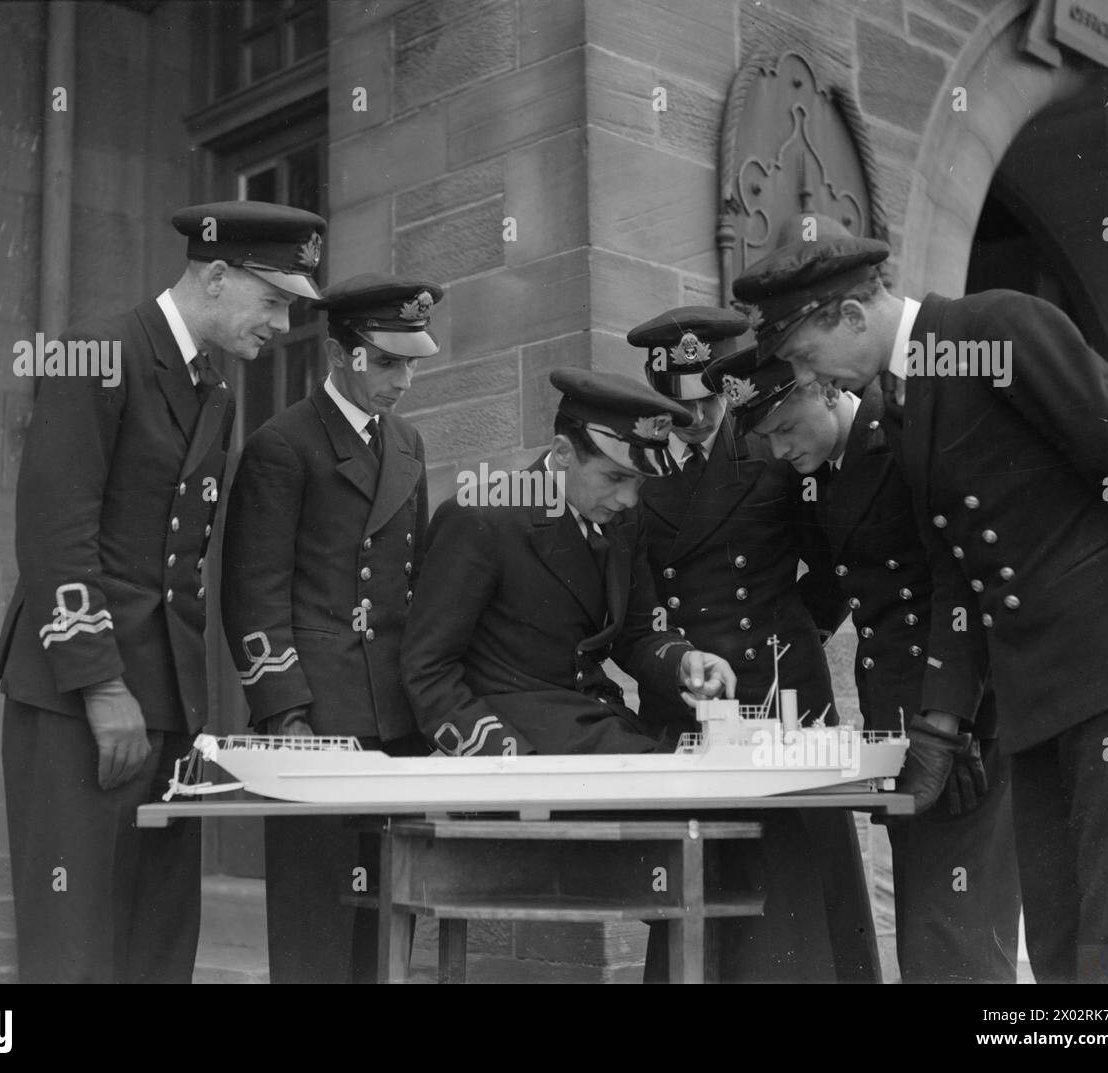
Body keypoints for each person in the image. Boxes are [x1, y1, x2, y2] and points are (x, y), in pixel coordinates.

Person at [734, 222, 1108, 982]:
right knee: (1062, 938)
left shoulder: (994, 327)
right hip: (1035, 697)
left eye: (805, 355)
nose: (816, 377)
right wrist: (940, 718)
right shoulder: (906, 402)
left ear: (851, 319)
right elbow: (956, 570)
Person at [0, 200, 325, 983]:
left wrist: (183, 714)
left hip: (165, 711)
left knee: (159, 946)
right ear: (215, 275)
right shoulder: (98, 354)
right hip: (77, 702)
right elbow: (55, 536)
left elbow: (181, 564)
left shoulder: (212, 385)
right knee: (72, 946)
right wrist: (103, 685)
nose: (281, 325)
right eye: (273, 301)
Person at [737, 364, 1021, 982]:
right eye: (768, 437)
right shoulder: (827, 470)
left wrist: (955, 723)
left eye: (786, 427)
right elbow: (846, 585)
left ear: (826, 386)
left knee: (955, 930)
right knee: (926, 926)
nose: (780, 449)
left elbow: (965, 589)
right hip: (900, 717)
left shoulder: (898, 442)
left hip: (956, 718)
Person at [629, 308, 879, 982]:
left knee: (796, 898)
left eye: (710, 400)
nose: (699, 418)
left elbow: (837, 558)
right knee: (702, 903)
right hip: (688, 707)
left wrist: (797, 628)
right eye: (680, 408)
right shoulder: (633, 470)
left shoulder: (773, 445)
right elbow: (632, 606)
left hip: (782, 696)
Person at [221, 273, 440, 983]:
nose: (402, 379)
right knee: (315, 927)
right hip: (319, 723)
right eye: (387, 361)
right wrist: (284, 712)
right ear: (342, 354)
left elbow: (419, 585)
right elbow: (254, 592)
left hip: (396, 720)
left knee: (386, 923)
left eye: (411, 362)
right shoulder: (282, 444)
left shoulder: (408, 444)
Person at [401, 368, 735, 757]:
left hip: (599, 724)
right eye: (614, 477)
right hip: (520, 740)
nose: (628, 498)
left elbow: (640, 631)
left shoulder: (624, 518)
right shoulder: (482, 517)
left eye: (639, 481)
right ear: (562, 453)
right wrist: (508, 763)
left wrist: (684, 661)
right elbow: (427, 670)